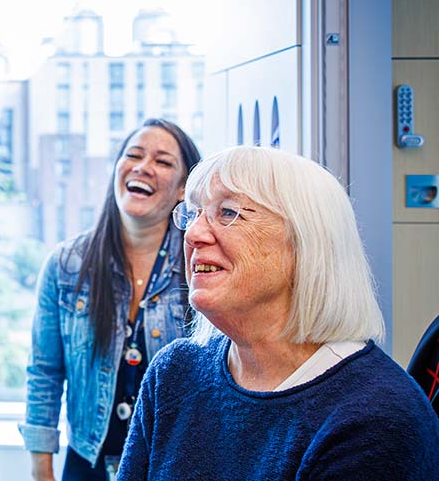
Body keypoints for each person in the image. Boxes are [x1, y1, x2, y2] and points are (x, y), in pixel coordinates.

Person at [117, 146, 439, 480]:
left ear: (305, 243)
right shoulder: (175, 373)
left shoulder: (378, 419)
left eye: (228, 212)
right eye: (194, 213)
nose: (194, 233)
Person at [21, 118, 201, 481]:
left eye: (163, 162)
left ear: (183, 187)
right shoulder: (67, 263)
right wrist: (42, 472)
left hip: (175, 464)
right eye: (133, 155)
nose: (143, 167)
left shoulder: (200, 265)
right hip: (86, 463)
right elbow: (45, 374)